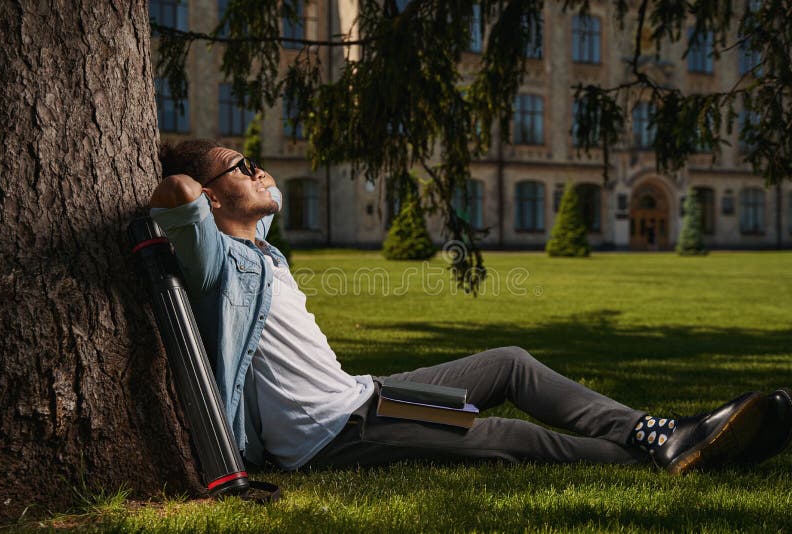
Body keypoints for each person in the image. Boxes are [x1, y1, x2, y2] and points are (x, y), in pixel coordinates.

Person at [150, 139, 791, 476]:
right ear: (212, 198)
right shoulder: (214, 265)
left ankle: (662, 434)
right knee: (506, 437)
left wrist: (243, 178)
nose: (262, 172)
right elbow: (177, 191)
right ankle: (680, 453)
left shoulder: (263, 251)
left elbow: (258, 202)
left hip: (368, 398)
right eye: (244, 165)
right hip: (334, 435)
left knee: (510, 363)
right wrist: (193, 173)